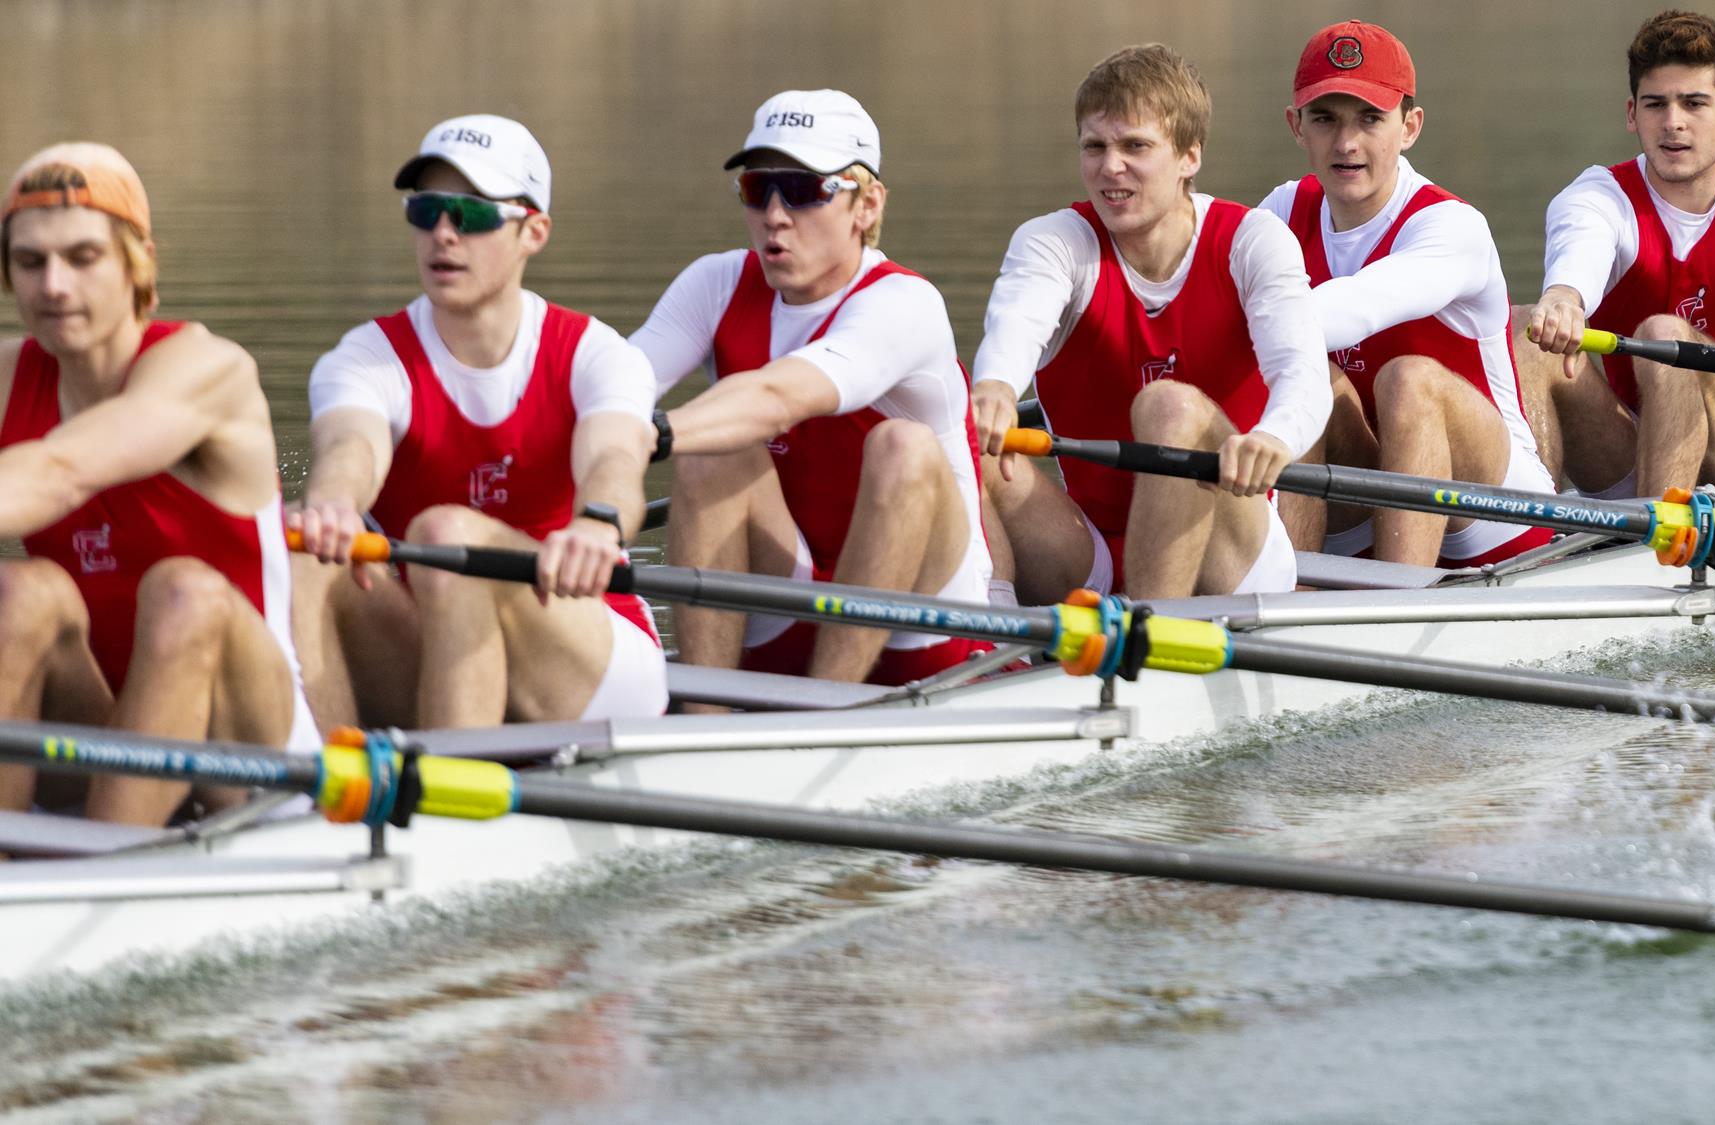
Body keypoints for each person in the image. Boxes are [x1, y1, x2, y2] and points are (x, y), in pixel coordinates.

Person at [290, 114, 665, 730]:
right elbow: (349, 447)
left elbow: (615, 459)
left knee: (444, 534)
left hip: (586, 654)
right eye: (426, 211)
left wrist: (599, 525)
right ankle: (318, 792)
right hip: (432, 644)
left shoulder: (596, 354)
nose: (443, 233)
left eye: (471, 214)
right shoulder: (365, 357)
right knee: (301, 544)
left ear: (533, 231)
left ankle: (449, 785)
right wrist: (332, 504)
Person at [0, 143, 316, 827]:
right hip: (97, 720)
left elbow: (62, 471)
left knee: (185, 590)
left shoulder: (208, 368)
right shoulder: (7, 380)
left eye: (83, 258)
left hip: (249, 745)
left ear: (136, 262)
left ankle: (105, 868)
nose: (53, 285)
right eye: (30, 262)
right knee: (23, 591)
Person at [631, 90, 991, 687]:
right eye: (757, 189)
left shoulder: (905, 304)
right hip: (786, 604)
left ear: (867, 205)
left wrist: (647, 435)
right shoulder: (715, 283)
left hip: (923, 624)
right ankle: (704, 720)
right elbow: (613, 383)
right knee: (713, 451)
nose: (774, 214)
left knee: (901, 446)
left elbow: (779, 397)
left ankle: (827, 706)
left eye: (802, 190)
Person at [973, 43, 1331, 604]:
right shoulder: (1054, 242)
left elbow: (1303, 374)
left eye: (1135, 146)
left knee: (1170, 407)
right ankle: (985, 644)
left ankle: (1149, 638)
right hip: (1084, 550)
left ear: (1190, 156)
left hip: (1227, 550)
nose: (1110, 166)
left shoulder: (1253, 241)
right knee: (963, 426)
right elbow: (1017, 323)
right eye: (1095, 146)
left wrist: (1273, 437)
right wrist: (994, 387)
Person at [1260, 21, 1556, 568]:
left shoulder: (1451, 226)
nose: (1347, 144)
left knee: (1408, 380)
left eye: (1371, 119)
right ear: (1296, 126)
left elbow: (1356, 306)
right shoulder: (1281, 212)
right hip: (1374, 496)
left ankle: (1390, 601)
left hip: (1495, 513)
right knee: (1306, 378)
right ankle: (1283, 594)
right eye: (1325, 119)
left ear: (1410, 126)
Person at [1519, 9, 1715, 499]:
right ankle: (1532, 535)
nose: (1672, 123)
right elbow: (1577, 256)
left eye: (1694, 103)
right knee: (1524, 330)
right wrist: (1562, 299)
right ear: (1631, 114)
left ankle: (1652, 546)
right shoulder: (1599, 196)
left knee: (1664, 333)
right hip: (1638, 445)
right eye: (1655, 104)